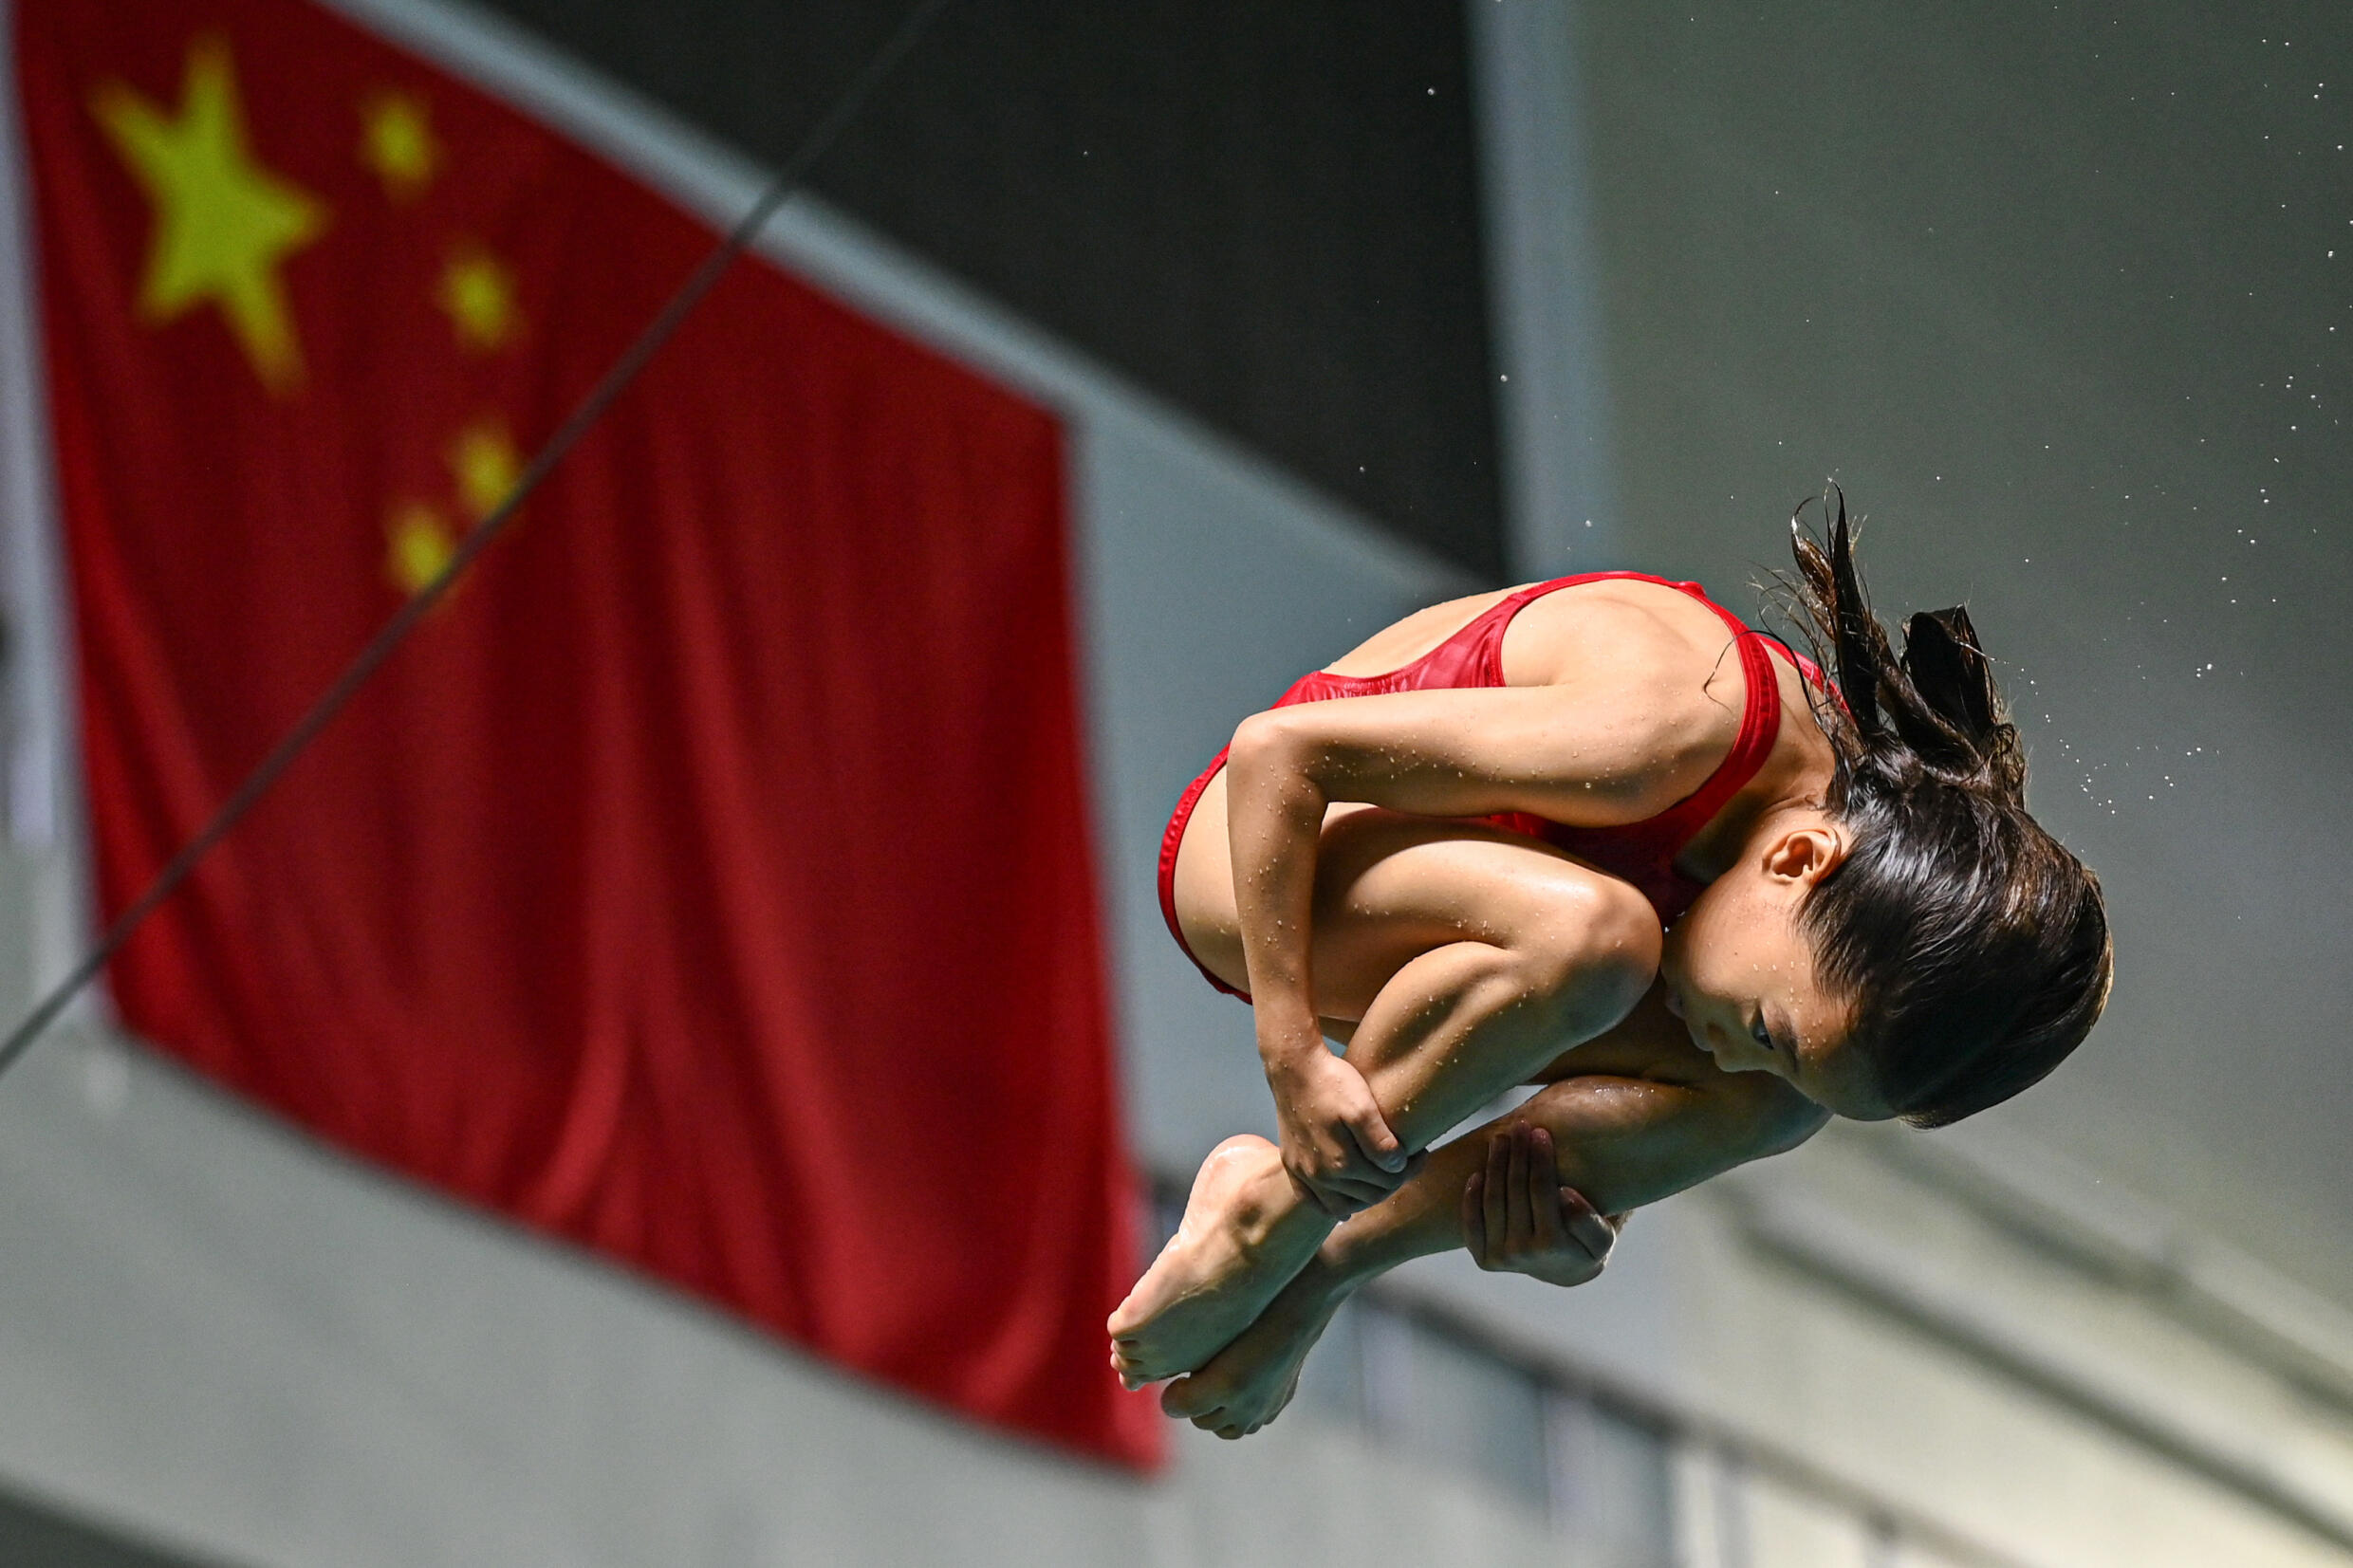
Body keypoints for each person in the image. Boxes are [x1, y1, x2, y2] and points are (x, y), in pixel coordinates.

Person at [1108, 497, 2114, 1439]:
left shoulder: (1793, 873)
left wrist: (1579, 1197)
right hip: (1260, 865)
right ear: (1800, 859)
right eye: (1764, 1031)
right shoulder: (1665, 728)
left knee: (1771, 1109)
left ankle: (1319, 1268)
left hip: (1459, 942)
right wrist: (1289, 1058)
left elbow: (1695, 1049)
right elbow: (1279, 752)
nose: (1729, 1052)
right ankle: (1271, 1214)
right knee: (1597, 935)